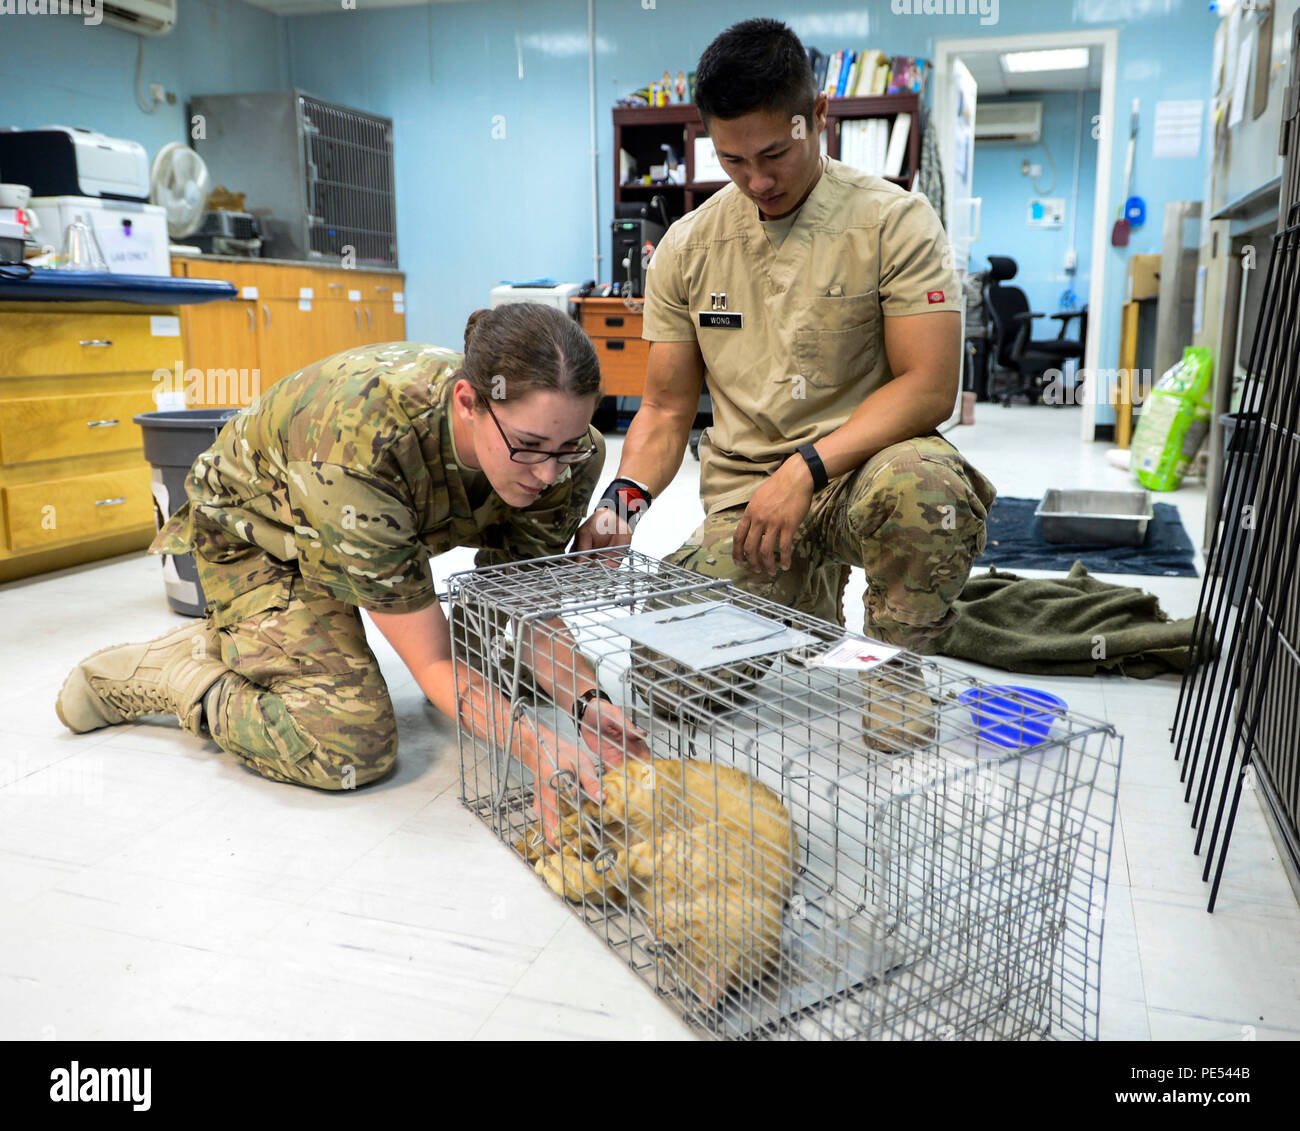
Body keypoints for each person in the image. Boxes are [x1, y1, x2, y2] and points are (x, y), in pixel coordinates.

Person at [57, 302, 647, 841]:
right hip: (263, 537)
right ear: (468, 402)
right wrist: (532, 745)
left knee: (511, 679)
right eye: (529, 446)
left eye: (567, 446)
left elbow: (530, 604)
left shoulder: (569, 452)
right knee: (347, 747)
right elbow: (433, 663)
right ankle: (184, 672)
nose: (549, 474)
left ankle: (268, 645)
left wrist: (589, 703)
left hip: (367, 527)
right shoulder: (361, 441)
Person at [577, 19, 998, 745]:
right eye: (734, 160)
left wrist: (806, 467)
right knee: (665, 683)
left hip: (862, 472)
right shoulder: (687, 246)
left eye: (776, 152)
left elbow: (929, 387)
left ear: (821, 117)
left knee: (927, 489)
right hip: (748, 504)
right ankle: (798, 593)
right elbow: (668, 407)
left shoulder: (894, 222)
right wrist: (623, 501)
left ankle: (893, 663)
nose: (759, 180)